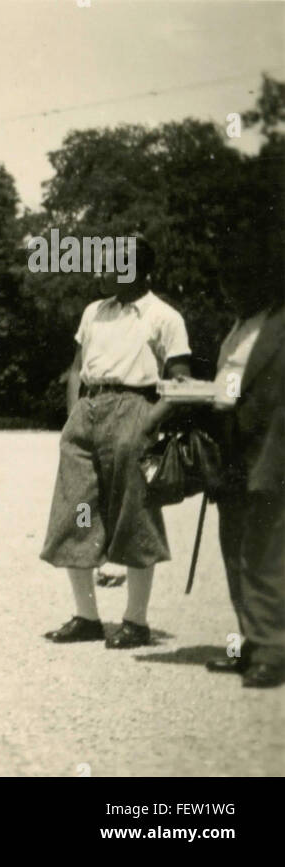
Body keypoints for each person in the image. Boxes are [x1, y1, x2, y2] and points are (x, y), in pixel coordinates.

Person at [40, 236, 193, 648]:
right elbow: (76, 368)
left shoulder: (165, 317)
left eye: (113, 265)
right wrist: (75, 413)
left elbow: (180, 380)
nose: (102, 271)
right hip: (88, 410)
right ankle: (86, 616)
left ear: (141, 271)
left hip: (135, 408)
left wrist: (148, 423)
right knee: (78, 511)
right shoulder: (94, 311)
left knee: (134, 515)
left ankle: (135, 621)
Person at [204, 222, 285, 688]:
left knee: (265, 553)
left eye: (236, 279)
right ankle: (250, 641)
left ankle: (273, 650)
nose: (226, 288)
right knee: (234, 551)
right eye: (223, 280)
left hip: (269, 451)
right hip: (231, 450)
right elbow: (233, 383)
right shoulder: (238, 327)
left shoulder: (277, 326)